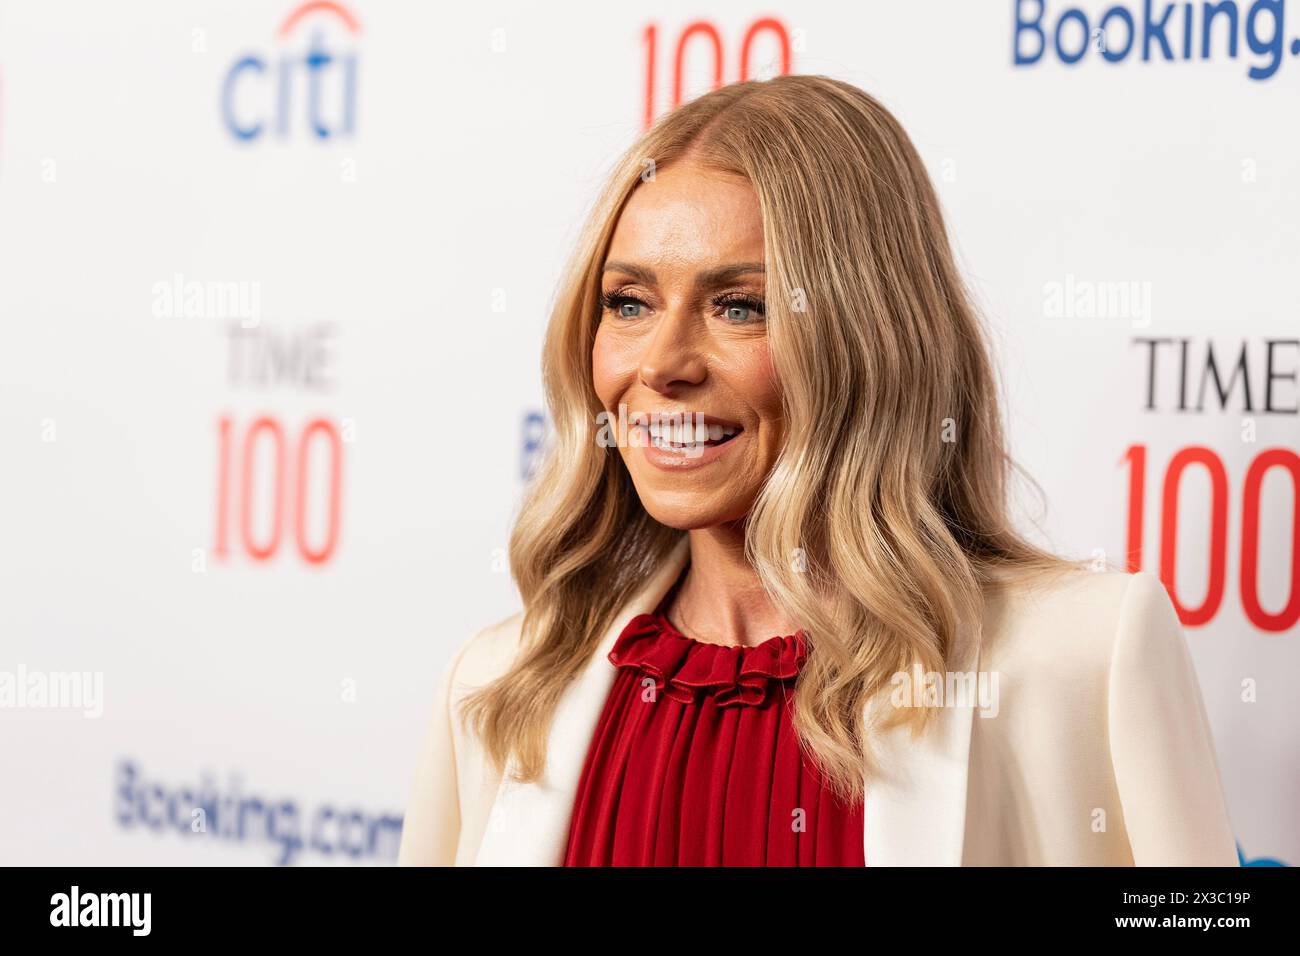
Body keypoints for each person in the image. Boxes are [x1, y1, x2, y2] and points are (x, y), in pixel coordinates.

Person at [397, 74, 1237, 866]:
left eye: (740, 307)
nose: (660, 364)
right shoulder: (502, 684)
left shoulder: (1079, 655)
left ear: (871, 338)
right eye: (629, 303)